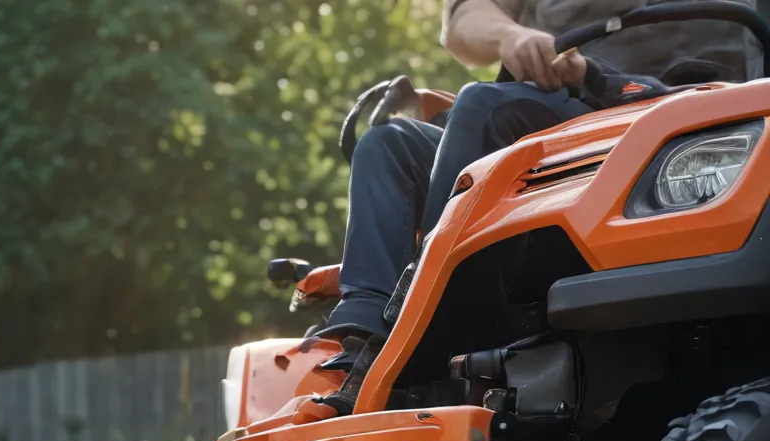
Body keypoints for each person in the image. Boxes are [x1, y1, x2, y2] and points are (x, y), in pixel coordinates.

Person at [320, 0, 760, 343]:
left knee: (480, 104)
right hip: (573, 113)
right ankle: (362, 330)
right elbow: (464, 19)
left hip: (702, 124)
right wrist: (512, 35)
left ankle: (428, 320)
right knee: (389, 144)